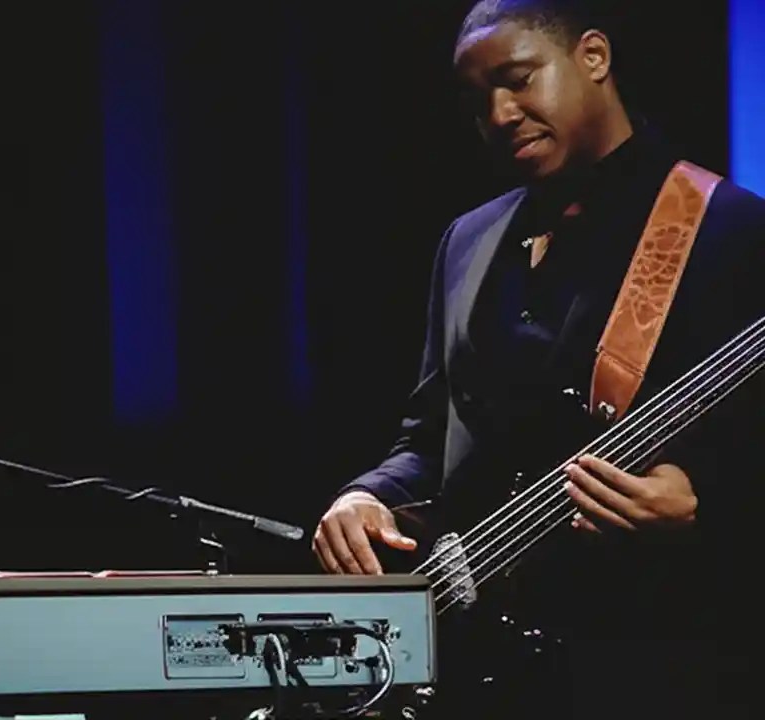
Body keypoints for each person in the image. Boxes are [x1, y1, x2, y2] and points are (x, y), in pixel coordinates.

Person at [313, 1, 765, 718]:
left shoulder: (726, 228)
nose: (499, 113)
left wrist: (705, 502)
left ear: (593, 57)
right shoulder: (467, 240)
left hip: (657, 667)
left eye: (519, 80)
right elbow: (433, 437)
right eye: (478, 98)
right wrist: (367, 497)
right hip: (479, 675)